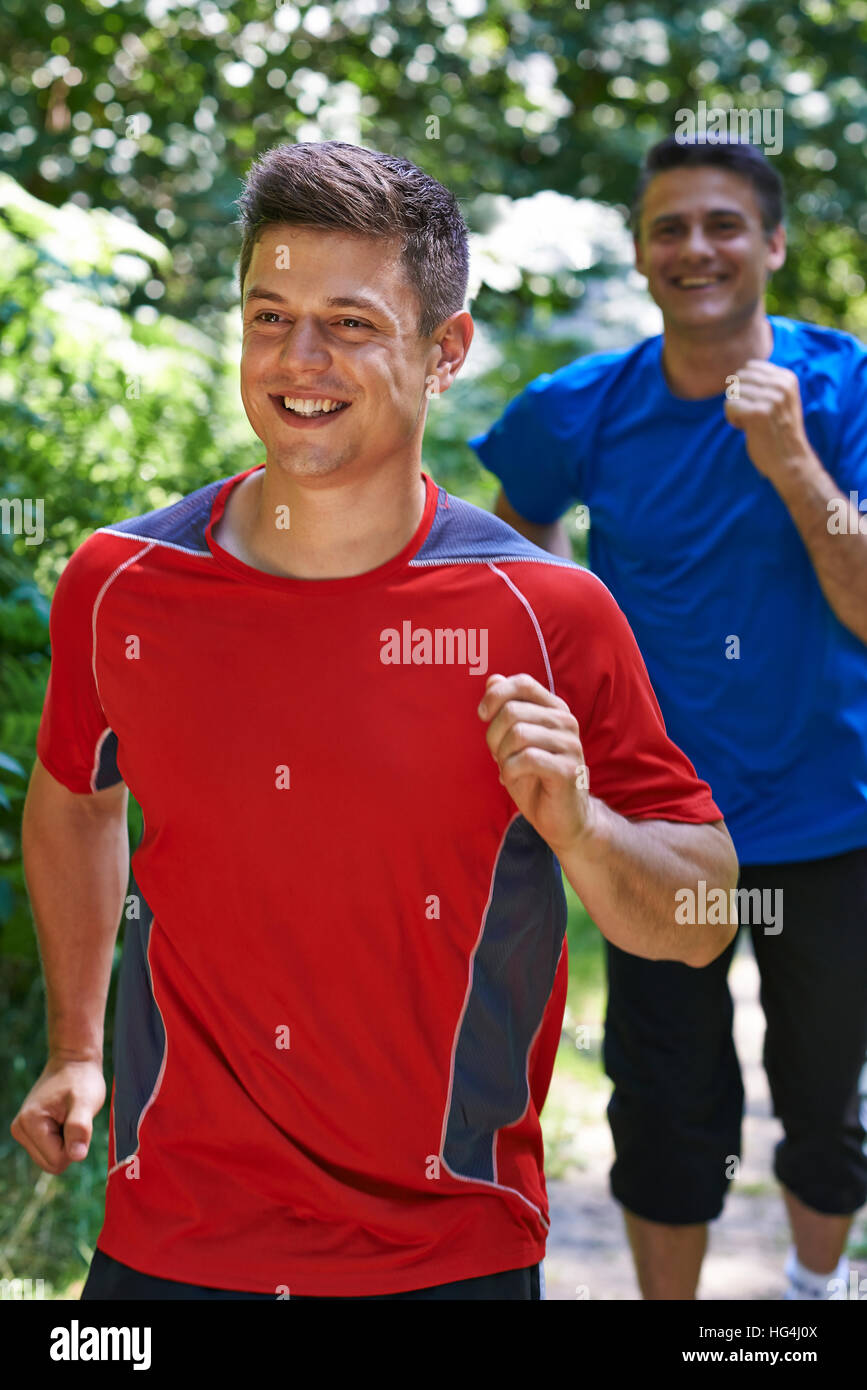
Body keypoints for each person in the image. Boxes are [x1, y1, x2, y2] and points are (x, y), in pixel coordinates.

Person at [11, 140, 737, 1302]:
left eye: (351, 323)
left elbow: (702, 913)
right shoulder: (120, 582)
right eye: (269, 314)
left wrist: (584, 827)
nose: (300, 359)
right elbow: (76, 795)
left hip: (448, 1254)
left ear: (445, 350)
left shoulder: (548, 611)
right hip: (168, 1244)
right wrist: (79, 1047)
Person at [469, 134, 867, 1301]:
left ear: (772, 244)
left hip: (830, 813)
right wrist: (567, 701)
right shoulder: (576, 410)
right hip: (654, 826)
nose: (697, 247)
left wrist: (788, 455)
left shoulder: (843, 390)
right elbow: (508, 556)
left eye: (724, 224)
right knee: (667, 1106)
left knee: (825, 1099)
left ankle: (809, 1295)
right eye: (670, 227)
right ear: (643, 254)